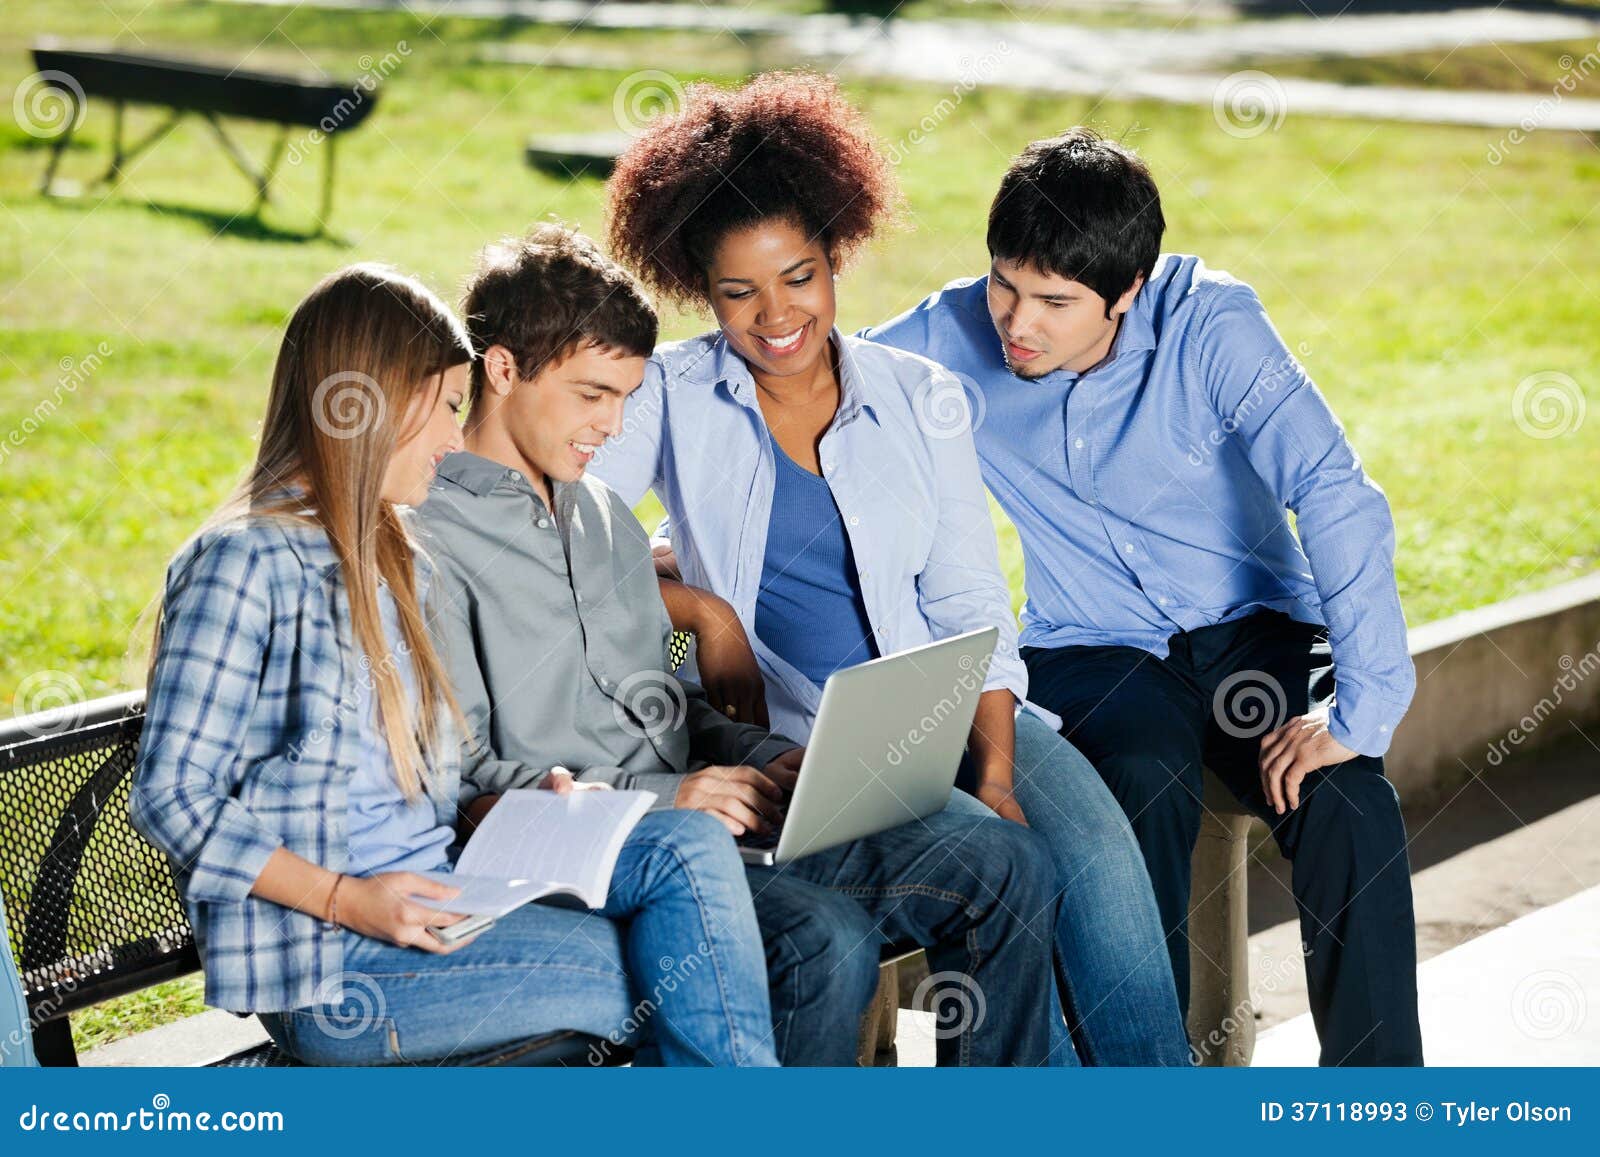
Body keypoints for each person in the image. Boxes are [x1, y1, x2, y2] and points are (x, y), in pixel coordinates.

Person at [593, 73, 1190, 1066]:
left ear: (837, 256)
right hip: (813, 742)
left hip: (951, 700)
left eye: (798, 277)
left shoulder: (922, 394)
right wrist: (700, 609)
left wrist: (996, 766)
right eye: (737, 291)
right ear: (703, 291)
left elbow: (966, 598)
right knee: (1008, 870)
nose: (774, 314)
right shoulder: (672, 394)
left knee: (1102, 873)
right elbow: (571, 543)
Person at [419, 221, 1057, 1067]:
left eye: (624, 397)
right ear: (502, 370)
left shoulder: (601, 518)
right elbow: (467, 788)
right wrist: (671, 797)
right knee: (822, 938)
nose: (613, 427)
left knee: (1002, 861)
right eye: (592, 396)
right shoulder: (429, 543)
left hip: (712, 825)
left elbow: (663, 700)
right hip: (596, 861)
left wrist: (768, 757)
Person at [862, 128, 1423, 1067]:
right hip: (1095, 648)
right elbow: (816, 395)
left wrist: (1363, 709)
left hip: (1261, 635)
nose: (1018, 323)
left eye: (1055, 301)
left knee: (1349, 805)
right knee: (1136, 788)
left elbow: (1333, 490)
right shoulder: (946, 333)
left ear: (1128, 291)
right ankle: (1143, 1092)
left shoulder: (1214, 323)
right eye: (1006, 283)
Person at [130, 263, 778, 1067]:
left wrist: (541, 800)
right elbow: (170, 796)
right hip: (336, 963)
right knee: (688, 973)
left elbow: (450, 768)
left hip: (447, 899)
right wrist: (347, 899)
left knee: (687, 859)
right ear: (368, 404)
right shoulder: (246, 561)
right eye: (441, 406)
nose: (451, 436)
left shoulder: (396, 557)